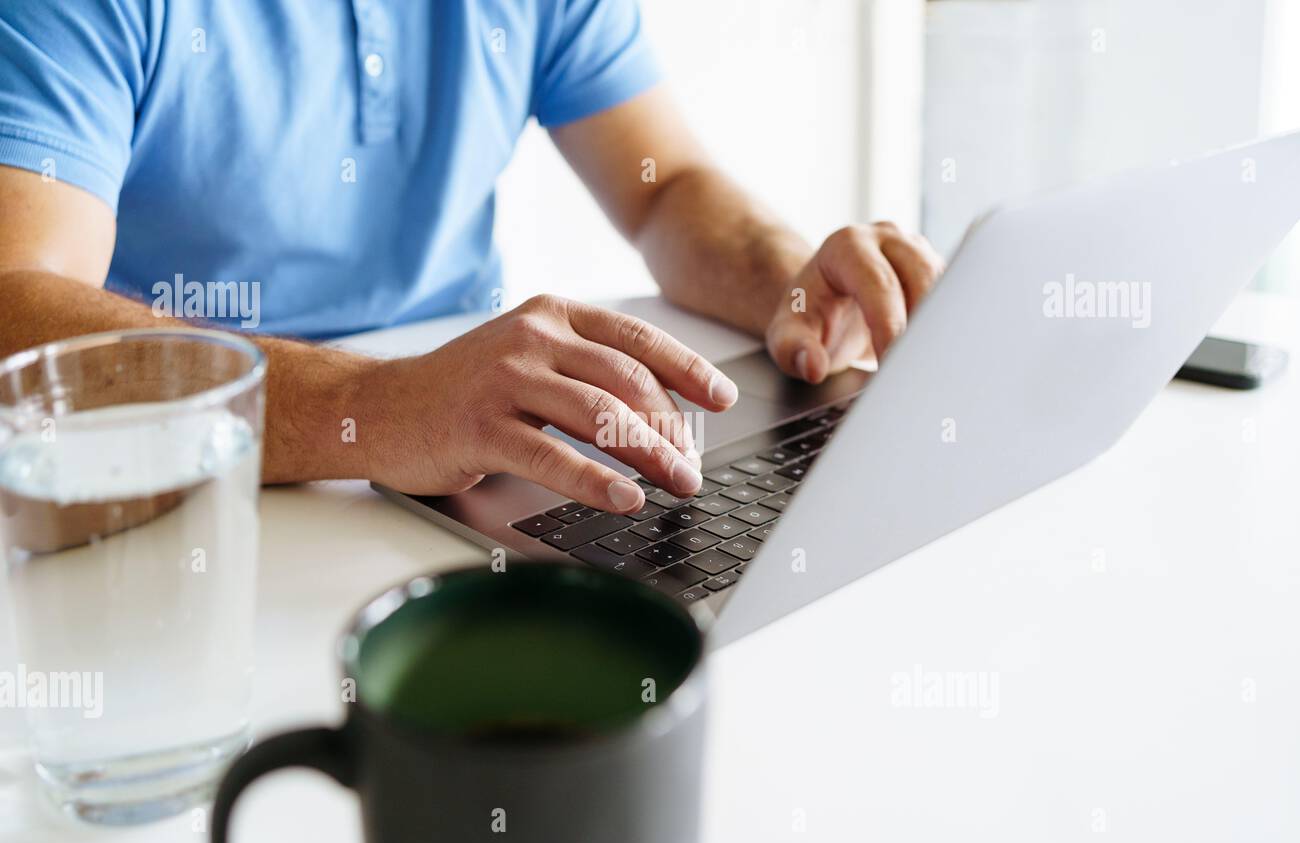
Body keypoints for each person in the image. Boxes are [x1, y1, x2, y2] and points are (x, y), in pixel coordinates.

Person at [0, 0, 942, 515]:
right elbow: (16, 304)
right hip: (190, 497)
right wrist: (375, 409)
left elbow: (666, 186)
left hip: (472, 466)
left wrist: (791, 281)